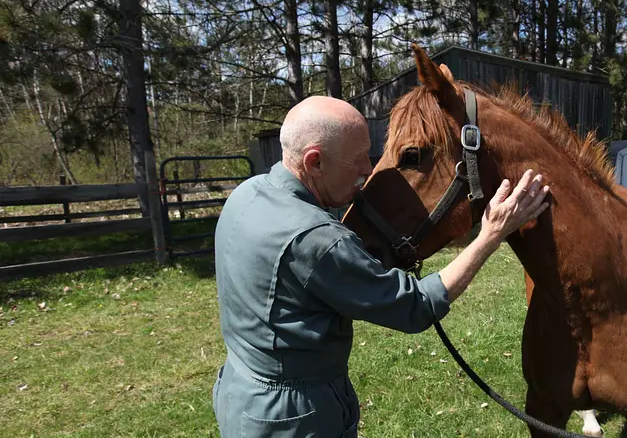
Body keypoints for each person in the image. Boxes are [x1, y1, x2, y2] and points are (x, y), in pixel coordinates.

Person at [211, 96, 550, 438]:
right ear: (314, 162)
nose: (367, 169)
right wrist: (490, 235)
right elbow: (415, 307)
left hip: (240, 393)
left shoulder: (247, 194)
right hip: (297, 418)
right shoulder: (317, 239)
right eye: (356, 159)